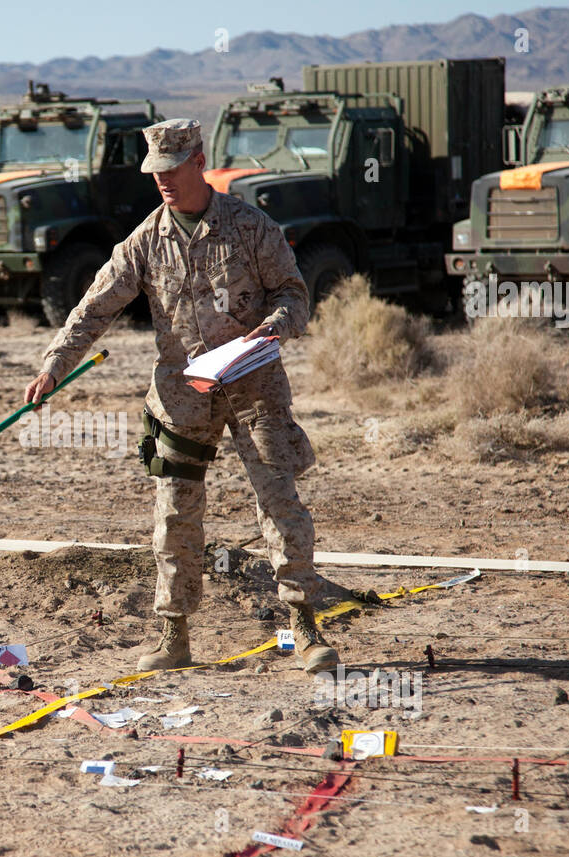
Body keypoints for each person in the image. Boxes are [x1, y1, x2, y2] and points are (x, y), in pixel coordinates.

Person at [25, 118, 356, 674]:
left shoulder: (252, 229)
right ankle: (173, 636)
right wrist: (54, 366)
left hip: (255, 389)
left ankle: (304, 627)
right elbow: (94, 309)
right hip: (182, 397)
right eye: (155, 172)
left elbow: (295, 294)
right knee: (175, 516)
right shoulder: (144, 242)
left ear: (199, 161)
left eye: (173, 170)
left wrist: (274, 326)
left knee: (280, 505)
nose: (163, 182)